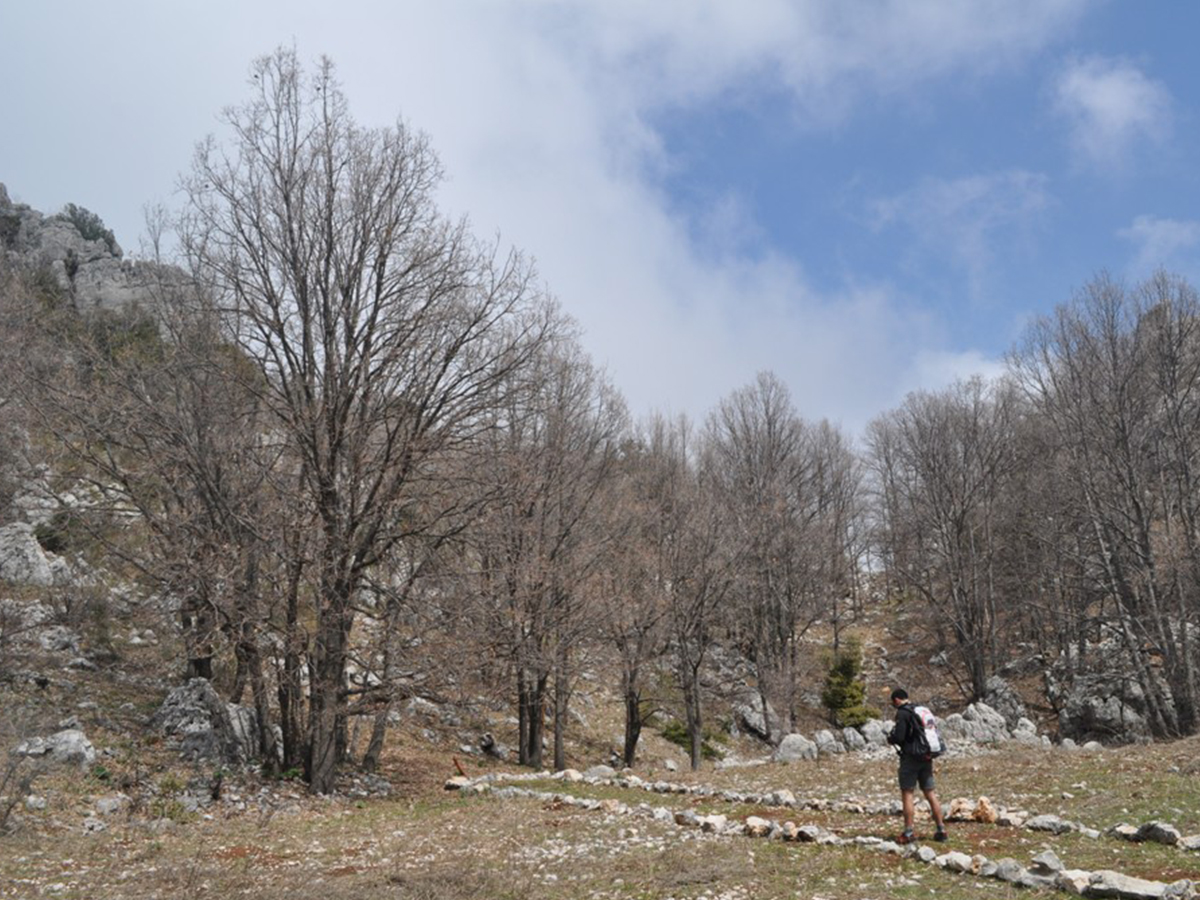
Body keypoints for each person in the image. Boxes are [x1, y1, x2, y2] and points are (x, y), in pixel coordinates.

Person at [886, 687, 947, 844]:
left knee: (908, 792)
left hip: (911, 757)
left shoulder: (903, 712)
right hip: (926, 756)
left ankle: (908, 832)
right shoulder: (921, 709)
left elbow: (899, 736)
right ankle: (941, 829)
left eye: (894, 703)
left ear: (897, 700)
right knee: (930, 793)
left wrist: (891, 738)